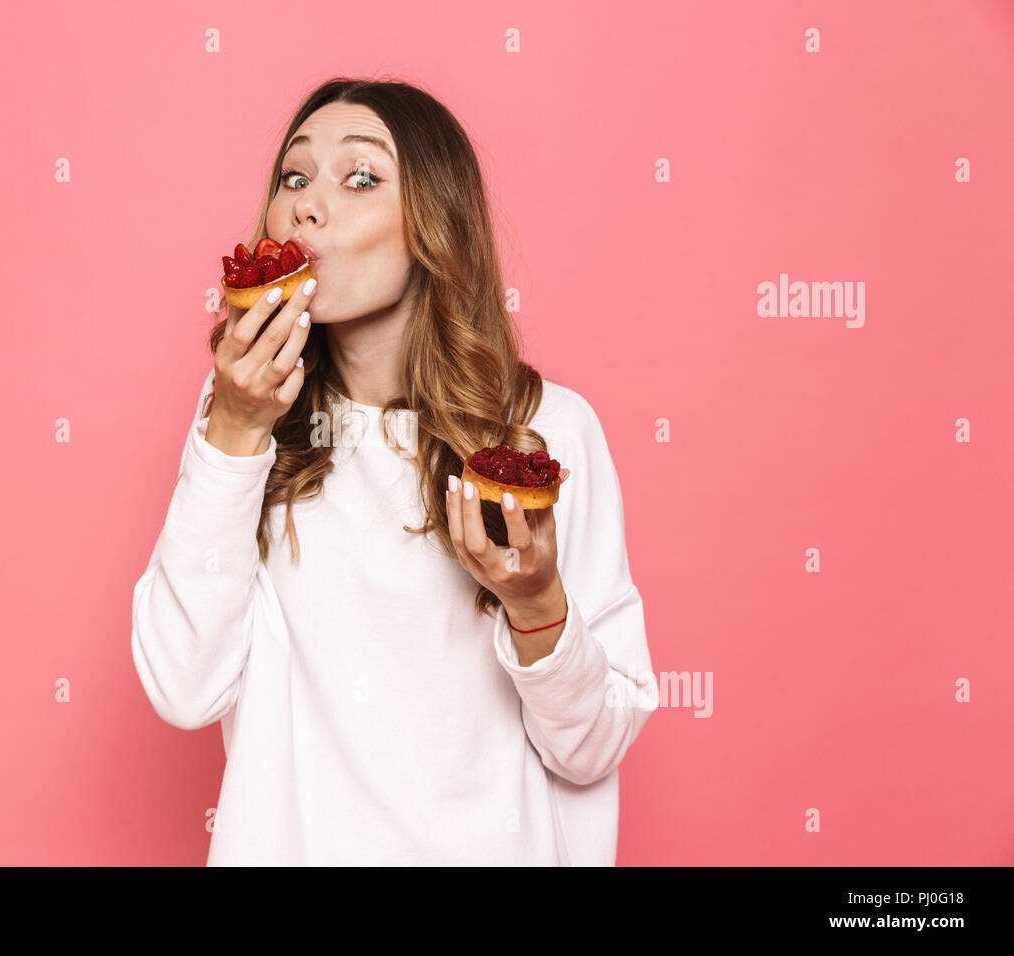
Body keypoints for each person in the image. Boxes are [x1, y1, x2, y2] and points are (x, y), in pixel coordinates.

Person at [132, 77, 657, 865]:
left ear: (432, 228)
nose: (306, 206)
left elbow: (590, 750)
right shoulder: (244, 419)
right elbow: (182, 686)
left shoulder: (547, 430)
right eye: (295, 177)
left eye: (362, 178)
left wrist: (535, 600)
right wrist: (234, 430)